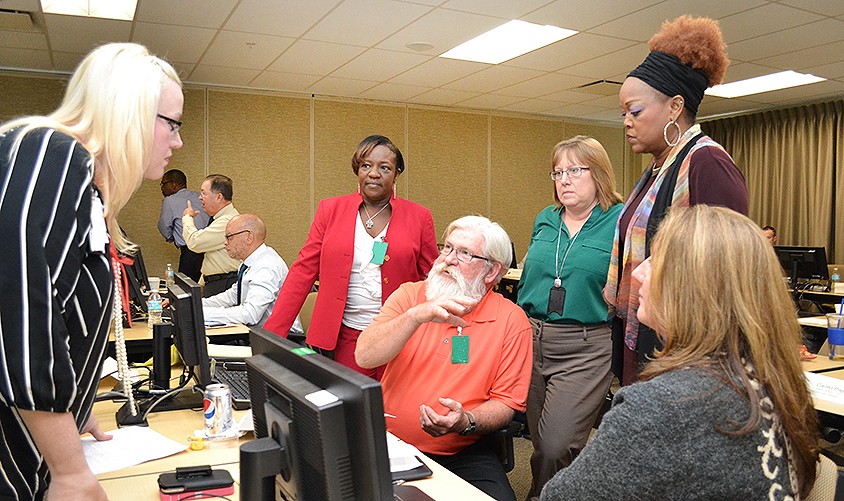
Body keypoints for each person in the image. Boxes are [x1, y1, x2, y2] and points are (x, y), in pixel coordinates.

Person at [0, 42, 183, 500]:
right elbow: (20, 319)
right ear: (131, 111)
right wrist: (68, 467)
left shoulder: (83, 185)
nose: (177, 142)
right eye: (173, 124)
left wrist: (75, 405)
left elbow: (59, 307)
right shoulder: (51, 153)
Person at [541, 205, 820, 500]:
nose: (638, 271)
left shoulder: (661, 407)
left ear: (691, 287)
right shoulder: (776, 380)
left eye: (655, 260)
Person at [605, 15, 749, 385]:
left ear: (674, 107)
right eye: (623, 113)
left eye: (634, 111)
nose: (626, 122)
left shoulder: (707, 163)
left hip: (685, 353)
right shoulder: (657, 170)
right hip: (644, 338)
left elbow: (725, 277)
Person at [356, 215, 533, 501]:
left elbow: (506, 403)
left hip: (463, 450)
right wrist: (417, 316)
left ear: (492, 272)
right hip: (391, 443)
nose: (448, 259)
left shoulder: (512, 321)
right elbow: (365, 355)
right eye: (447, 247)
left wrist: (466, 421)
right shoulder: (409, 296)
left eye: (464, 253)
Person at [264, 135, 438, 378]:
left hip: (400, 337)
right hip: (346, 339)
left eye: (384, 167)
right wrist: (271, 338)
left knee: (394, 411)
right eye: (366, 165)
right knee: (354, 410)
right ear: (357, 170)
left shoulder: (419, 217)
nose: (374, 173)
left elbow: (433, 279)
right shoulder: (330, 210)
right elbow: (303, 272)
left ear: (397, 174)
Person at [517, 136, 623, 499]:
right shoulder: (545, 219)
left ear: (598, 174)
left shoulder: (620, 220)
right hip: (531, 340)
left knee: (556, 446)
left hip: (585, 346)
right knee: (540, 442)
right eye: (558, 172)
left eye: (574, 170)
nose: (564, 179)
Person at [202, 214, 302, 331]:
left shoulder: (266, 266)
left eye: (229, 237)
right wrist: (198, 305)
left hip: (282, 341)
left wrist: (205, 314)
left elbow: (251, 314)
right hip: (261, 335)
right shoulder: (249, 263)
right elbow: (233, 296)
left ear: (249, 237)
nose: (225, 243)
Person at [182, 174, 240, 297]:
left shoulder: (228, 221)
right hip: (215, 283)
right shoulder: (219, 219)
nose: (199, 197)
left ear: (219, 197)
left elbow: (195, 243)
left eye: (204, 193)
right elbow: (213, 259)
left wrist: (187, 217)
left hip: (224, 285)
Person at [158, 168, 209, 281]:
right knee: (204, 288)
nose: (161, 188)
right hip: (208, 252)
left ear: (173, 185)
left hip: (189, 252)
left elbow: (164, 226)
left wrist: (173, 237)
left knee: (186, 290)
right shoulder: (199, 197)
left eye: (163, 184)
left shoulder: (170, 200)